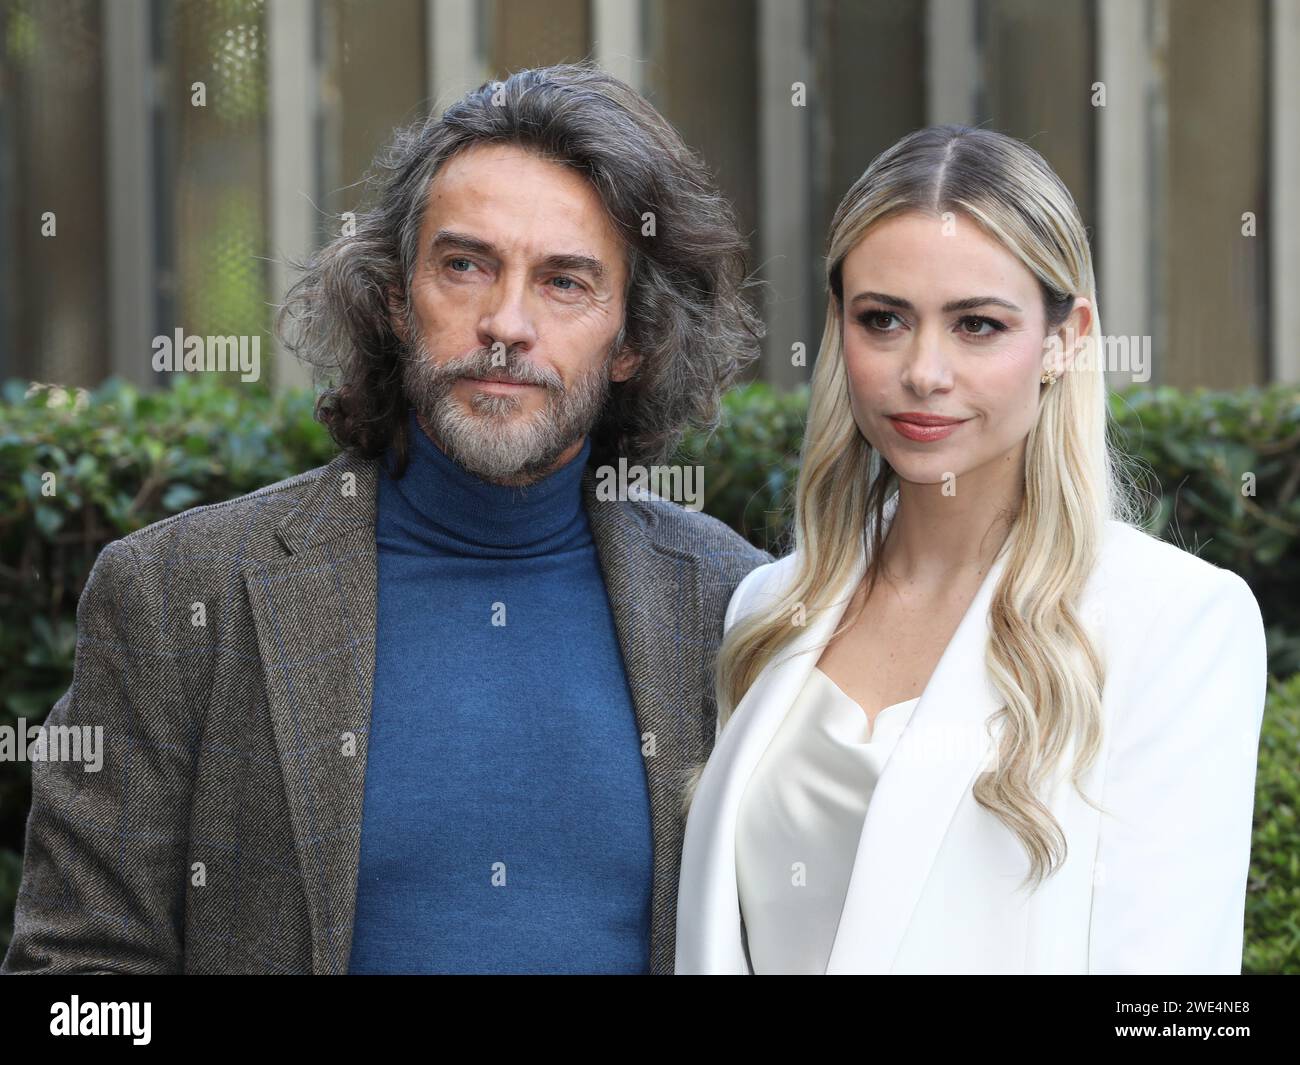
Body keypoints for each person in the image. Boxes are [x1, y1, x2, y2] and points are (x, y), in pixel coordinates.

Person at [3, 62, 769, 975]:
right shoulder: (177, 596)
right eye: (464, 265)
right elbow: (74, 987)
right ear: (396, 298)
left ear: (637, 338)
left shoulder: (734, 606)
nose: (505, 323)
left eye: (565, 282)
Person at [675, 125, 1268, 975]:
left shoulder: (1176, 624)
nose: (924, 371)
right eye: (883, 319)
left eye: (978, 325)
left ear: (1066, 338)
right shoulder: (767, 605)